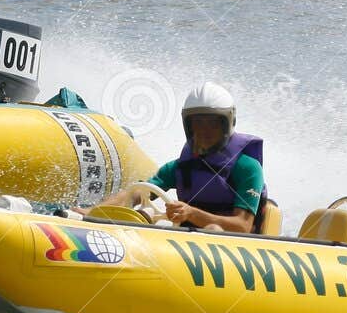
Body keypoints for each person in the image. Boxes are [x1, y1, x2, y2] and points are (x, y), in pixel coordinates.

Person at [96, 82, 266, 232]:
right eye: (198, 123)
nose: (205, 131)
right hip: (185, 241)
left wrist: (192, 213)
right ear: (189, 126)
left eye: (213, 123)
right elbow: (137, 193)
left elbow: (243, 225)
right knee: (143, 214)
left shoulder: (247, 168)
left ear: (227, 124)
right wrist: (92, 212)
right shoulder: (178, 167)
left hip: (231, 245)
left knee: (213, 229)